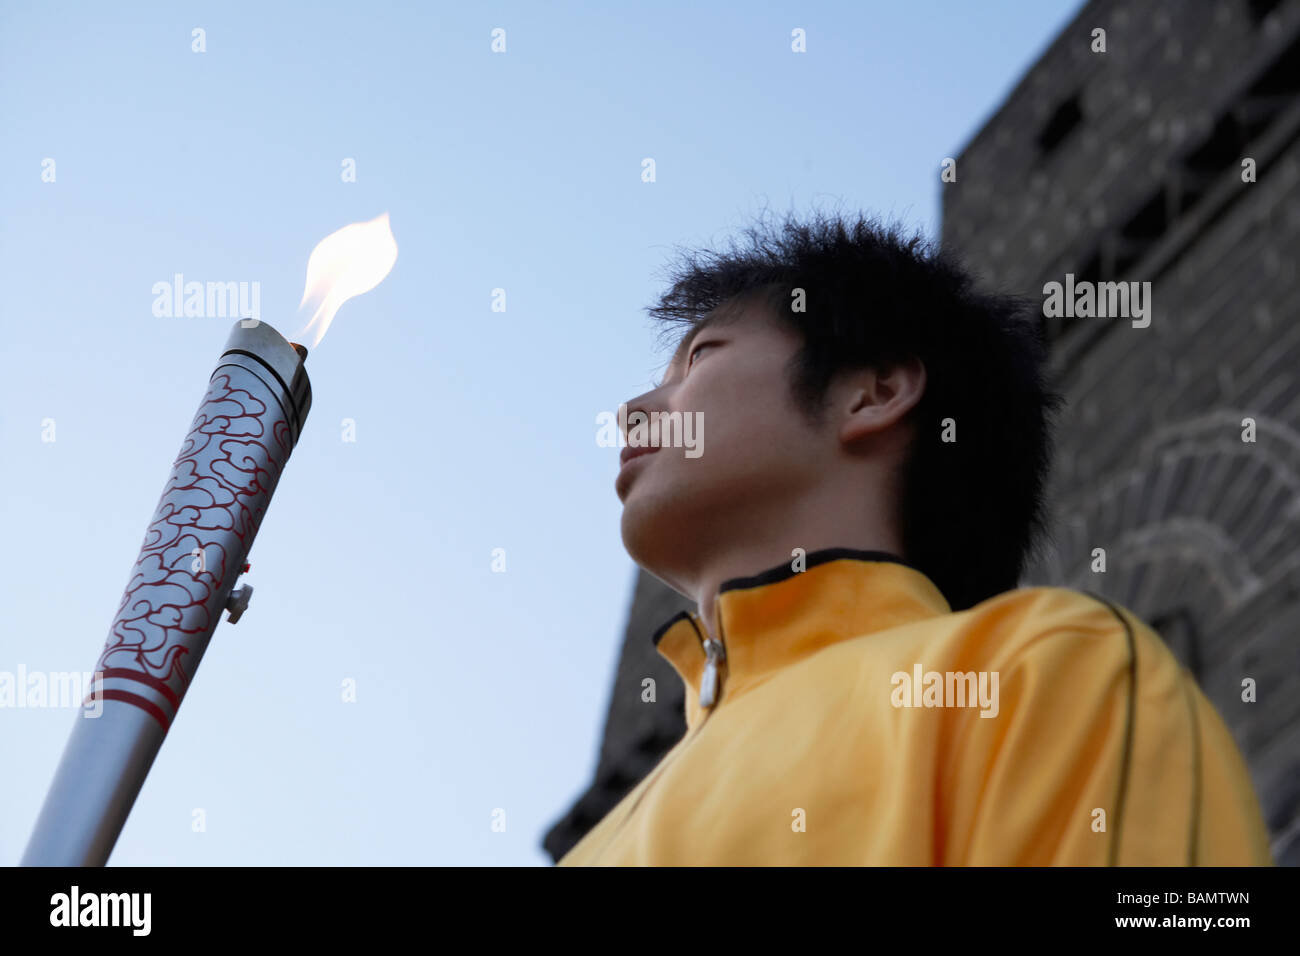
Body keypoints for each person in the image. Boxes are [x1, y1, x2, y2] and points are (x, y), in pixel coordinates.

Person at [558, 211, 1273, 866]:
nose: (633, 412)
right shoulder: (593, 847)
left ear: (872, 393)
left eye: (700, 357)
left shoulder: (1047, 675)